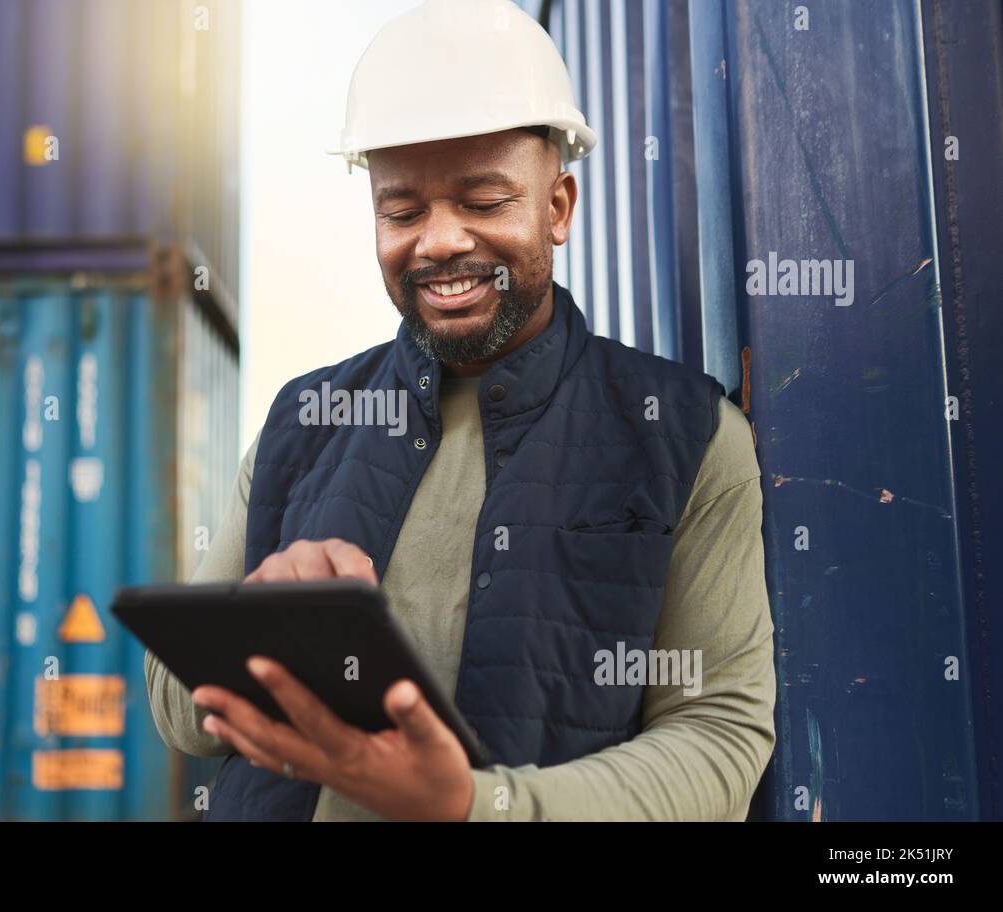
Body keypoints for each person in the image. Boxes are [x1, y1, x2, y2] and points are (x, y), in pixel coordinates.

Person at [146, 0, 776, 822]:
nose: (438, 242)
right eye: (402, 212)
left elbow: (718, 735)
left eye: (483, 201)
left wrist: (477, 806)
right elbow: (176, 710)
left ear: (556, 208)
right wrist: (260, 627)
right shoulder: (301, 424)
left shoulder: (686, 438)